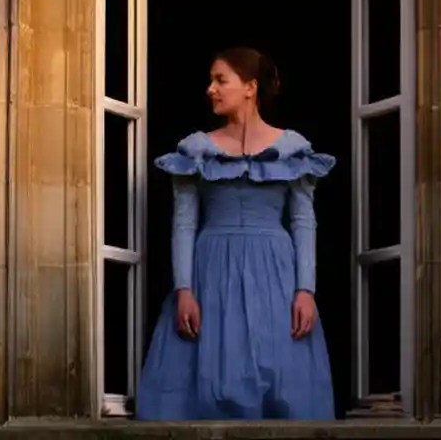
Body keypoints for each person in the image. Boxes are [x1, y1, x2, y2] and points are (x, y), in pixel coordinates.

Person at [135, 47, 336, 420]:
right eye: (211, 80)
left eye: (220, 80)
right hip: (212, 269)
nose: (211, 89)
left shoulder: (290, 148)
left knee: (278, 372)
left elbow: (304, 222)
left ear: (250, 87)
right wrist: (184, 290)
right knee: (209, 376)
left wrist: (305, 289)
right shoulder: (197, 149)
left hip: (274, 271)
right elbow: (183, 223)